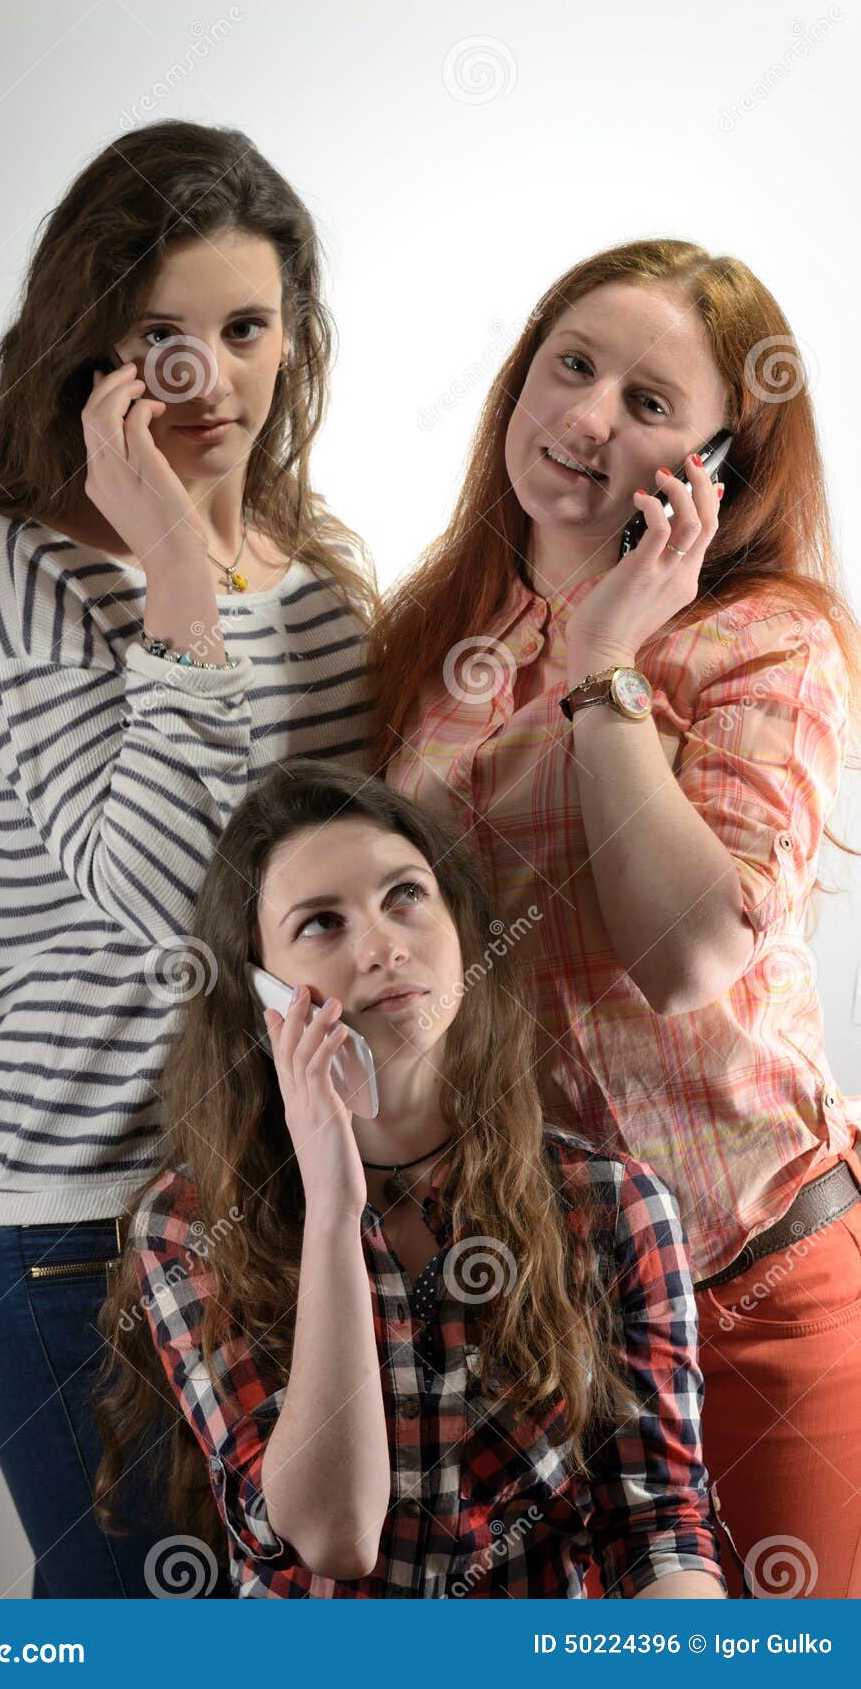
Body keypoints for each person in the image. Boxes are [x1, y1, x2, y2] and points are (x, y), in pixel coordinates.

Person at [0, 120, 376, 1598]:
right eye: (163, 337)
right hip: (62, 1211)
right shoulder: (18, 562)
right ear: (93, 345)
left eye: (246, 329)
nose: (208, 377)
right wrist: (172, 566)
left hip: (265, 1204)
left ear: (294, 338)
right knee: (140, 1629)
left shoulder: (322, 593)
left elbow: (334, 907)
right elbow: (162, 901)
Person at [368, 238, 861, 1598]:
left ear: (718, 465)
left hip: (747, 1281)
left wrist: (601, 667)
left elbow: (687, 954)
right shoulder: (438, 638)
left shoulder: (766, 639)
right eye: (570, 364)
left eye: (648, 402)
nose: (586, 418)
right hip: (538, 1317)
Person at [94, 757, 728, 1599]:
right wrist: (333, 1208)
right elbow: (334, 1535)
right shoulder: (189, 1223)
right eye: (322, 923)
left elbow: (656, 1528)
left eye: (405, 897)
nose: (383, 947)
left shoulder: (611, 1200)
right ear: (260, 990)